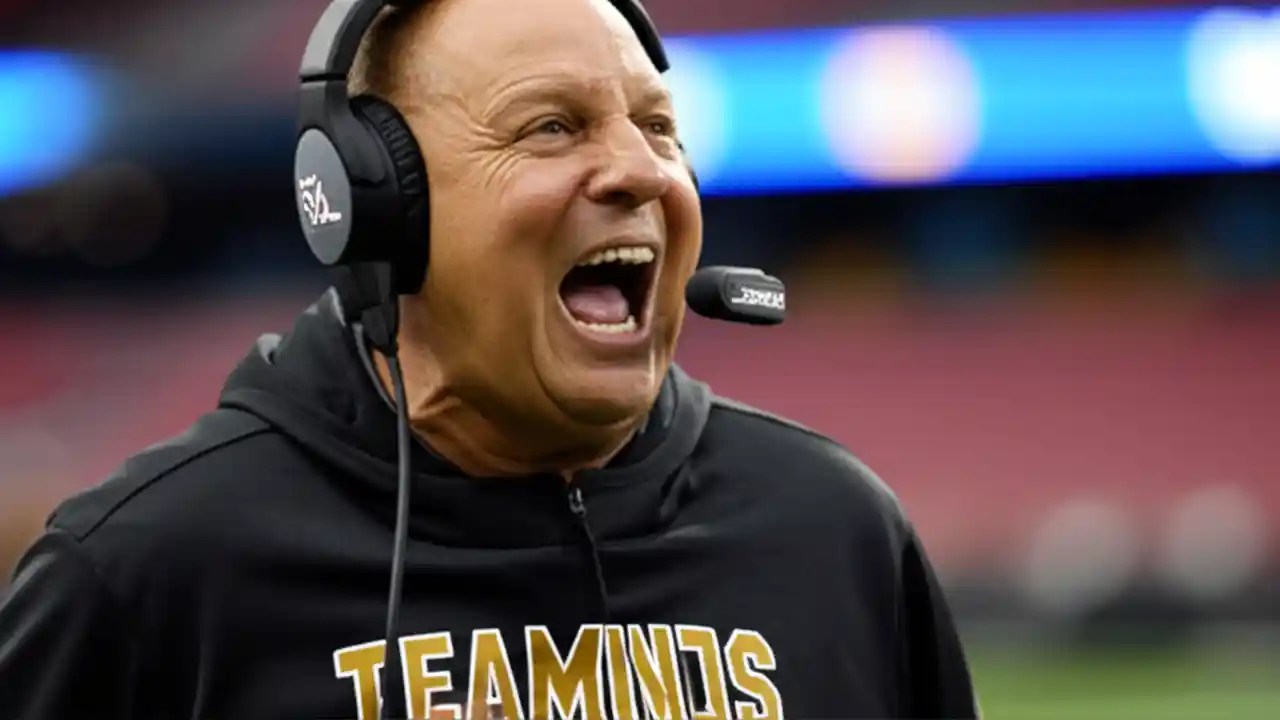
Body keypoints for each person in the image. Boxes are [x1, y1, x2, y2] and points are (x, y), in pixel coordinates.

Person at [0, 0, 979, 717]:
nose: (642, 170)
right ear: (375, 206)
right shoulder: (144, 576)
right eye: (549, 127)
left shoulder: (833, 531)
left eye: (657, 128)